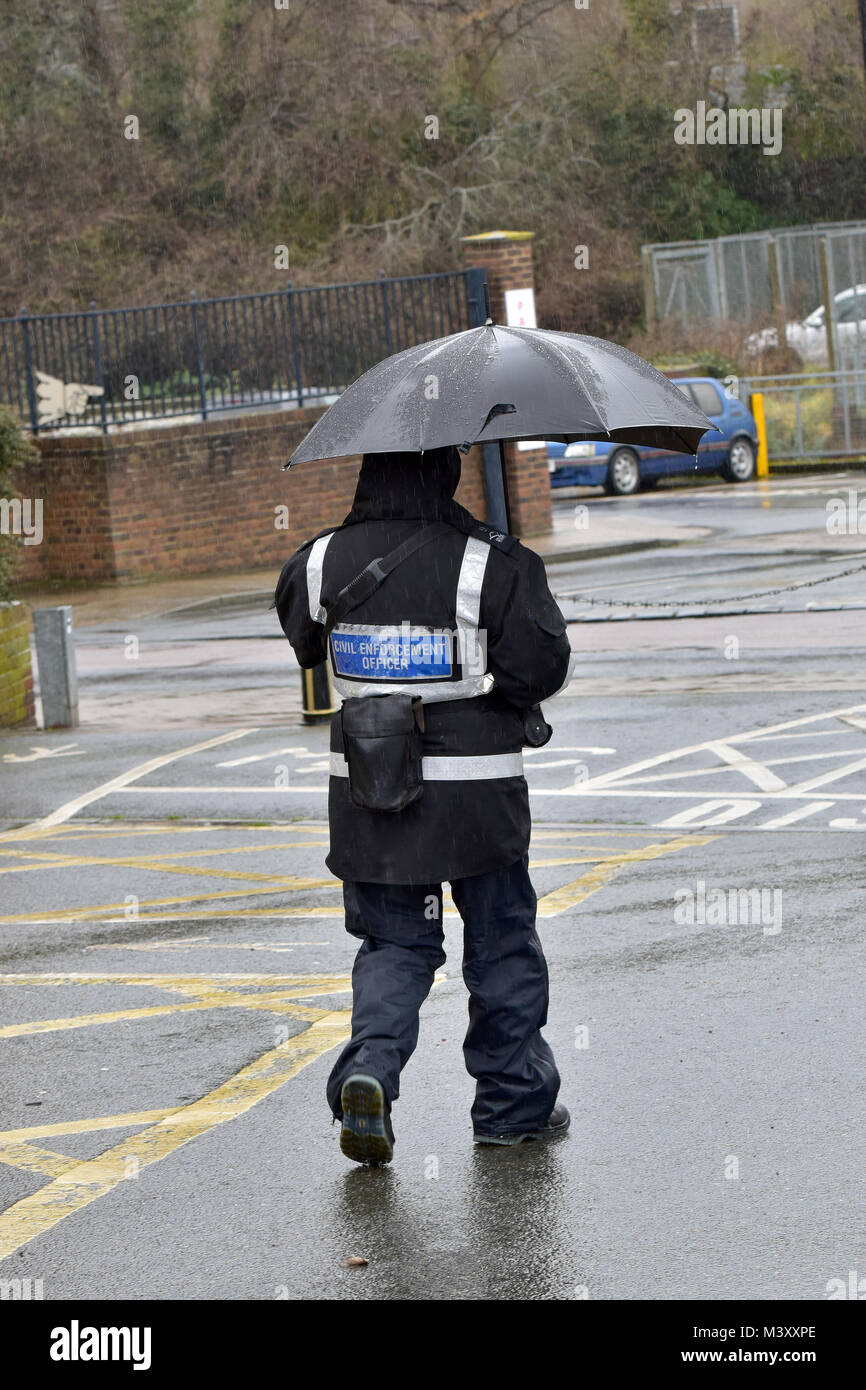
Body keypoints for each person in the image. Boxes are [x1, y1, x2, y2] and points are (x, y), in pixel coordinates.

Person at [274, 446, 573, 1164]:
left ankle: (370, 1069)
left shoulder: (318, 562)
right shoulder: (494, 563)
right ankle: (510, 1108)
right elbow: (541, 667)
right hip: (477, 797)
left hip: (372, 792)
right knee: (501, 944)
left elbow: (306, 646)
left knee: (395, 946)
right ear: (446, 474)